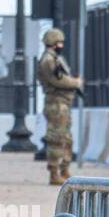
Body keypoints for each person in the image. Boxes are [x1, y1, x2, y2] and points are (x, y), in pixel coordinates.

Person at [36, 27, 83, 185]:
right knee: (56, 138)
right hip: (56, 104)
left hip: (63, 103)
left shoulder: (54, 58)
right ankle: (54, 172)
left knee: (66, 138)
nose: (61, 44)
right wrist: (76, 83)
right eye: (60, 42)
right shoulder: (48, 60)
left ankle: (64, 169)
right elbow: (58, 80)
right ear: (54, 42)